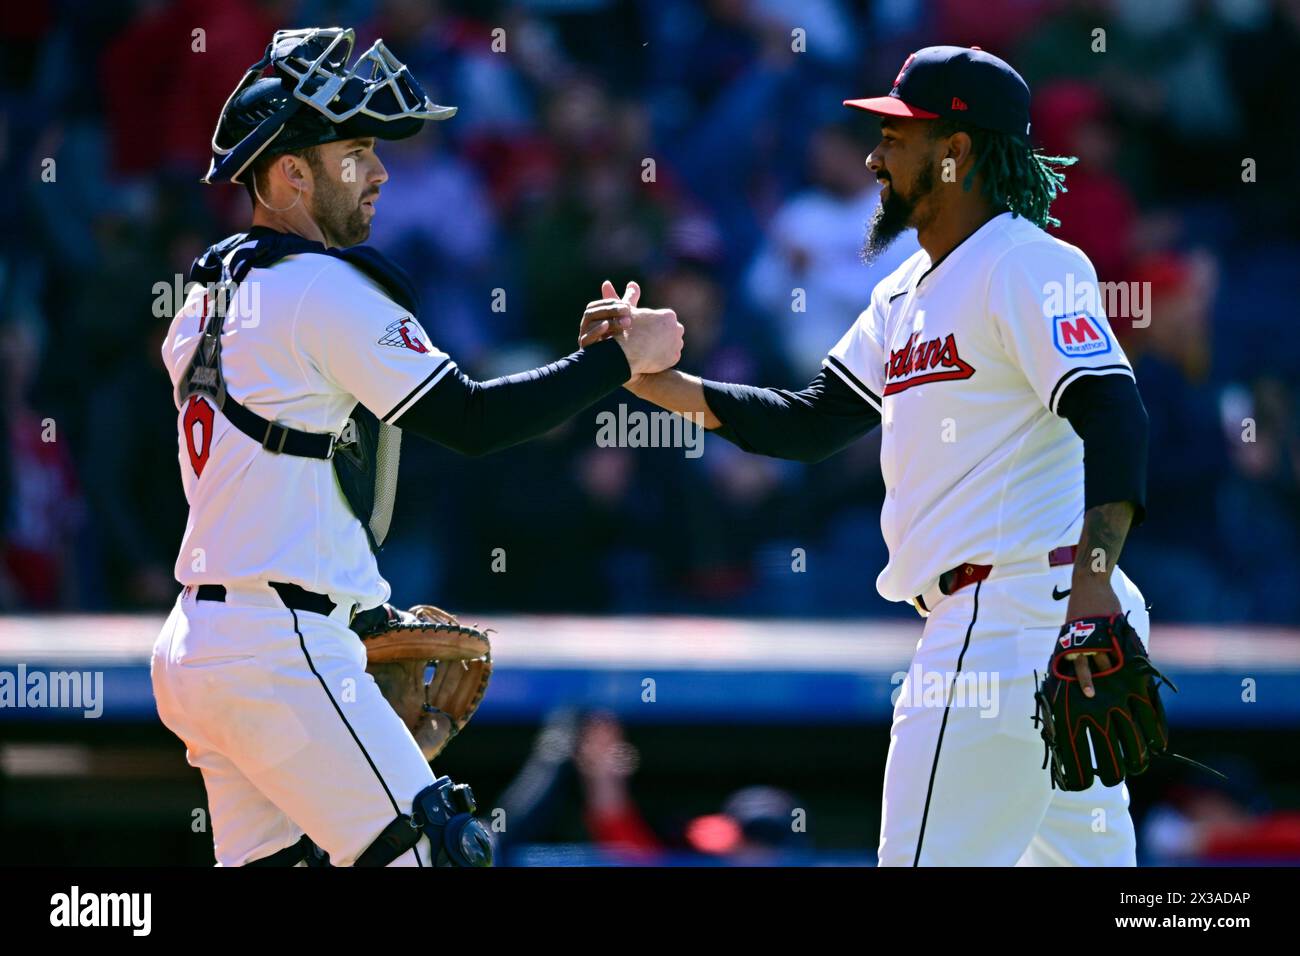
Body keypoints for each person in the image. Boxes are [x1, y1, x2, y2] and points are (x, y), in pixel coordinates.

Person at [584, 46, 1152, 865]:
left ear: (955, 153)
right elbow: (811, 421)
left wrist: (1092, 590)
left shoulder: (1028, 262)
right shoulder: (904, 291)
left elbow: (1116, 412)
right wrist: (657, 382)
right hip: (1028, 623)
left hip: (1013, 616)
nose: (874, 157)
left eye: (898, 136)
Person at [150, 27, 681, 867]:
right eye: (355, 151)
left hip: (203, 648)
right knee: (446, 853)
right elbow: (468, 421)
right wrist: (619, 361)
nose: (380, 172)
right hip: (282, 645)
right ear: (290, 173)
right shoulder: (319, 287)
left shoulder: (203, 303)